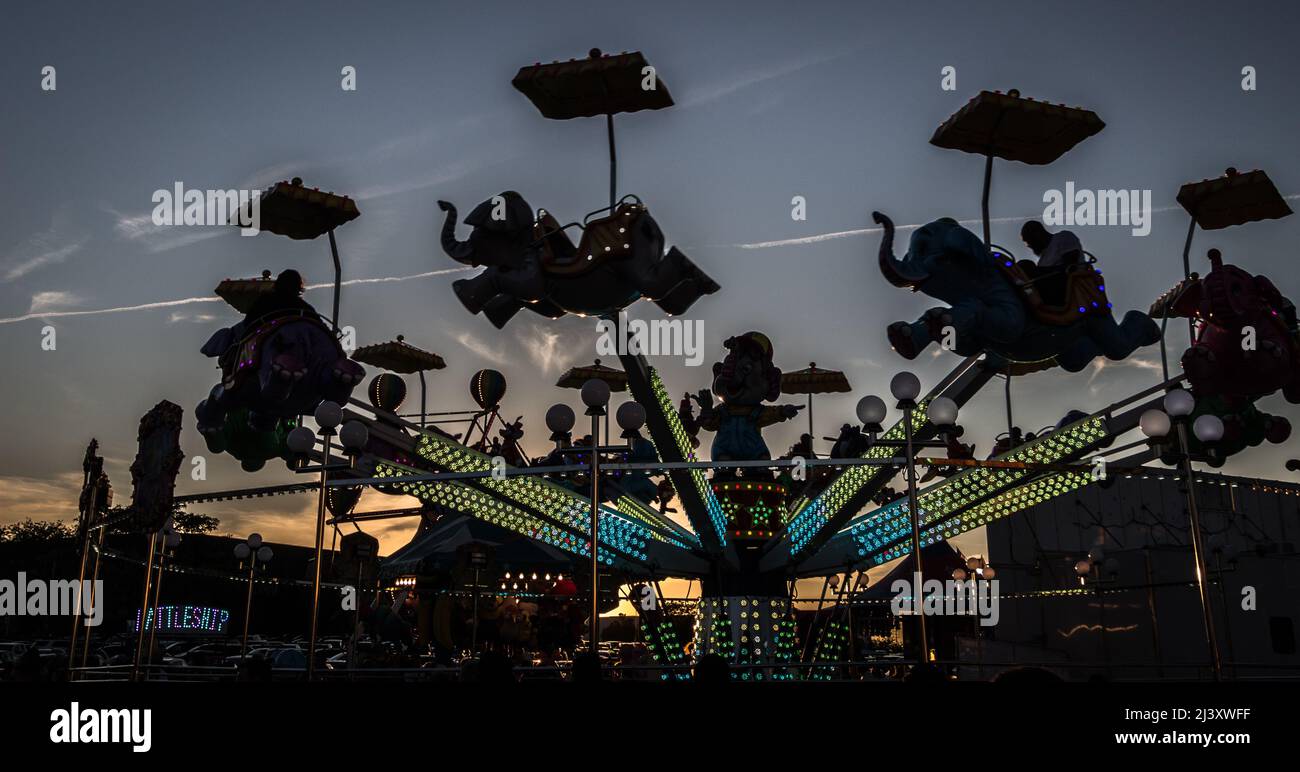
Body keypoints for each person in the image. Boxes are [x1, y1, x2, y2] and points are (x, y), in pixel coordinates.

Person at [1020, 221, 1083, 307]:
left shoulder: (1063, 237)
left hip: (1065, 287)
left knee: (1025, 265)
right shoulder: (1042, 260)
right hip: (1047, 288)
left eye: (1029, 241)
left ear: (1037, 234)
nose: (1029, 245)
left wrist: (1038, 271)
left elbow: (1071, 266)